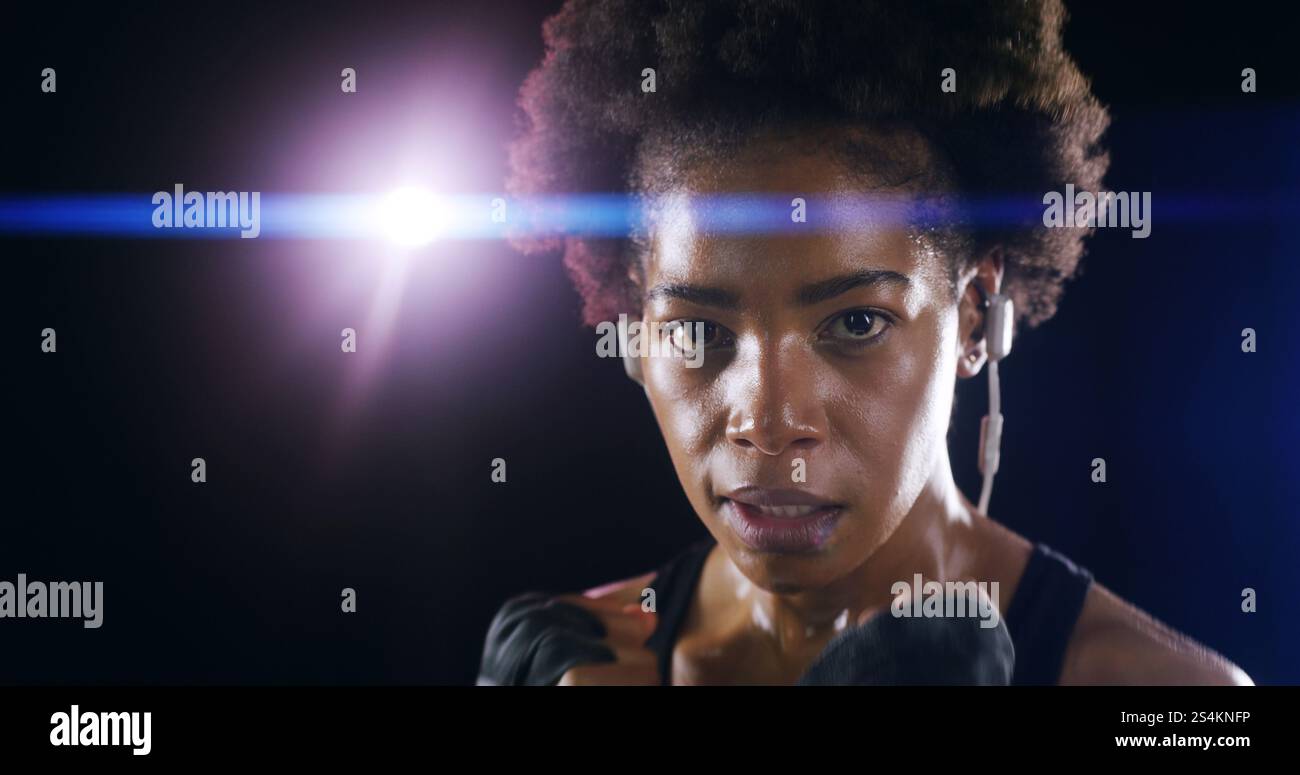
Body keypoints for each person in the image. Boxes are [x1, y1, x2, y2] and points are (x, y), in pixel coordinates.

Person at [480, 0, 1252, 686]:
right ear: (636, 334)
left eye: (856, 322)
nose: (772, 423)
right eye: (698, 330)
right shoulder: (578, 663)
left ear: (974, 316)